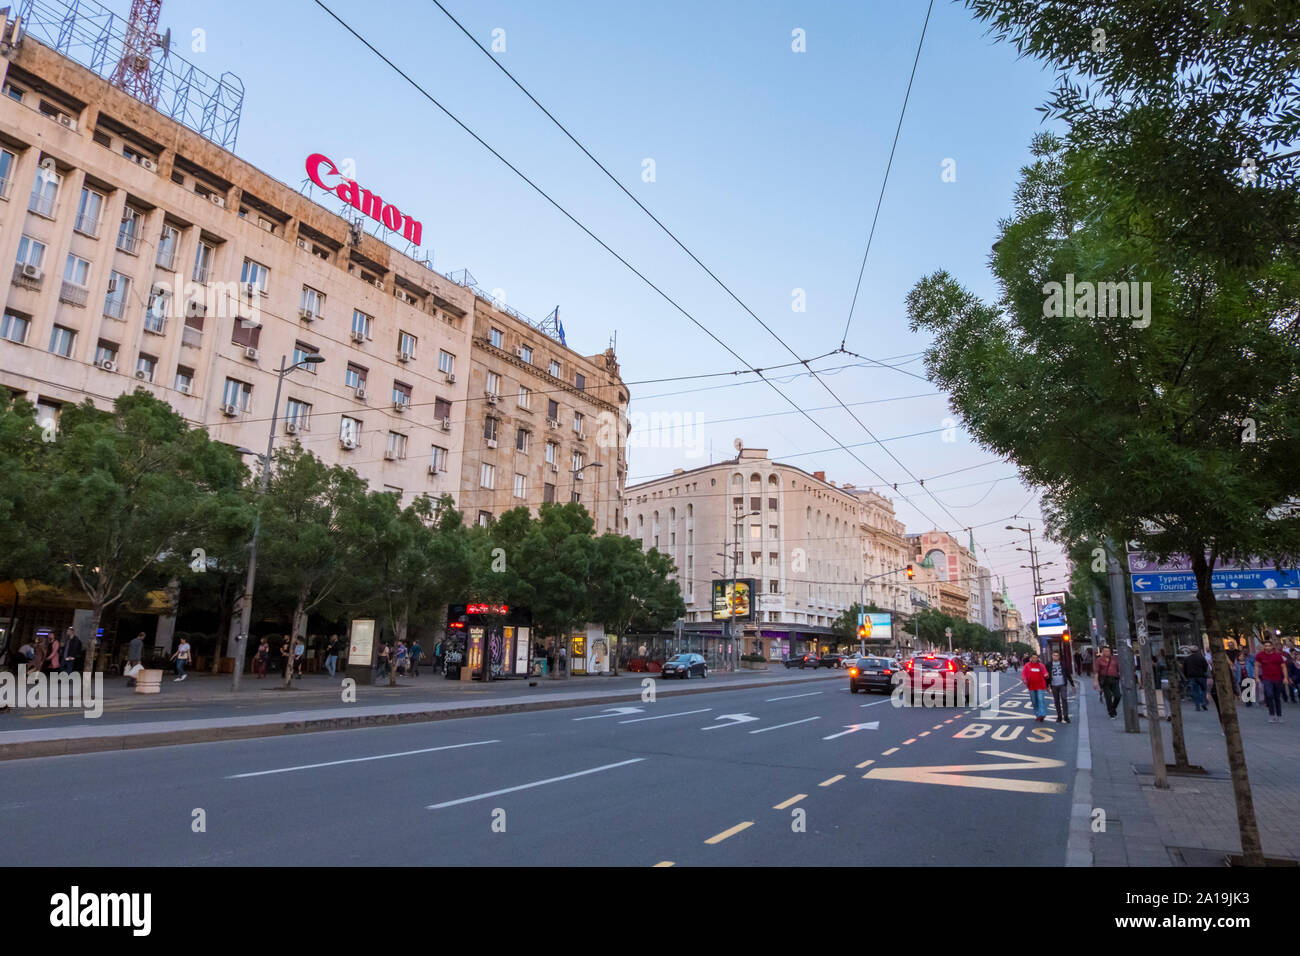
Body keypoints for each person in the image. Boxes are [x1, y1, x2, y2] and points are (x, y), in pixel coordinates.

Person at [1255, 639, 1289, 723]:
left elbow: (1283, 667)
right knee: (1269, 695)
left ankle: (1279, 715)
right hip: (1267, 679)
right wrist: (1257, 677)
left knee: (1277, 697)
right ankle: (1271, 714)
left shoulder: (1277, 656)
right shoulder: (1260, 655)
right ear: (1264, 647)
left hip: (1278, 679)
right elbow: (1256, 666)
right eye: (1266, 646)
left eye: (1269, 646)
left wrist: (1285, 678)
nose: (1267, 647)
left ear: (1272, 647)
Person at [1095, 645, 1122, 719]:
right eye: (1104, 651)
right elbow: (1097, 671)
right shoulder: (1099, 660)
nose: (1106, 652)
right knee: (1108, 696)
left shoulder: (1115, 659)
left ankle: (1113, 708)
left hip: (1114, 679)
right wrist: (1096, 681)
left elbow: (1118, 669)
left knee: (1118, 695)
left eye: (1108, 651)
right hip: (1105, 680)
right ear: (1102, 652)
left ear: (1110, 652)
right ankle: (1111, 713)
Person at [1022, 653, 1050, 722]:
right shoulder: (1027, 665)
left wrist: (1046, 675)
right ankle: (1037, 714)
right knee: (1034, 702)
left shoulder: (1041, 666)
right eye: (1033, 658)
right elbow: (1023, 674)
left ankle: (1042, 714)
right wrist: (1024, 679)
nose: (1034, 659)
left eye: (1036, 658)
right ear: (1030, 658)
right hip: (1031, 686)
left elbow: (1046, 674)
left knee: (1040, 700)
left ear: (1038, 659)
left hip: (1040, 686)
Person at [1048, 649, 1074, 723]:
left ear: (1059, 657)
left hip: (1062, 684)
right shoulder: (1049, 664)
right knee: (1056, 701)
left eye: (1057, 655)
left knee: (1064, 699)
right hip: (1053, 685)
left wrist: (1072, 684)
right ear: (1052, 656)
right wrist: (1047, 685)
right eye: (1054, 655)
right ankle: (1059, 716)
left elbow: (1068, 674)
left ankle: (1066, 716)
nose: (1055, 657)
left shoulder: (1063, 664)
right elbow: (1046, 676)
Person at [1182, 645, 1209, 711]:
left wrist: (1186, 676)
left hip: (1191, 677)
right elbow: (1206, 665)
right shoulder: (1201, 658)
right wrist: (1204, 672)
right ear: (1197, 651)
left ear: (1190, 651)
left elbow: (1184, 669)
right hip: (1201, 676)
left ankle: (1197, 706)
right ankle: (1203, 702)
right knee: (1203, 690)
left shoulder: (1187, 659)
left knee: (1195, 691)